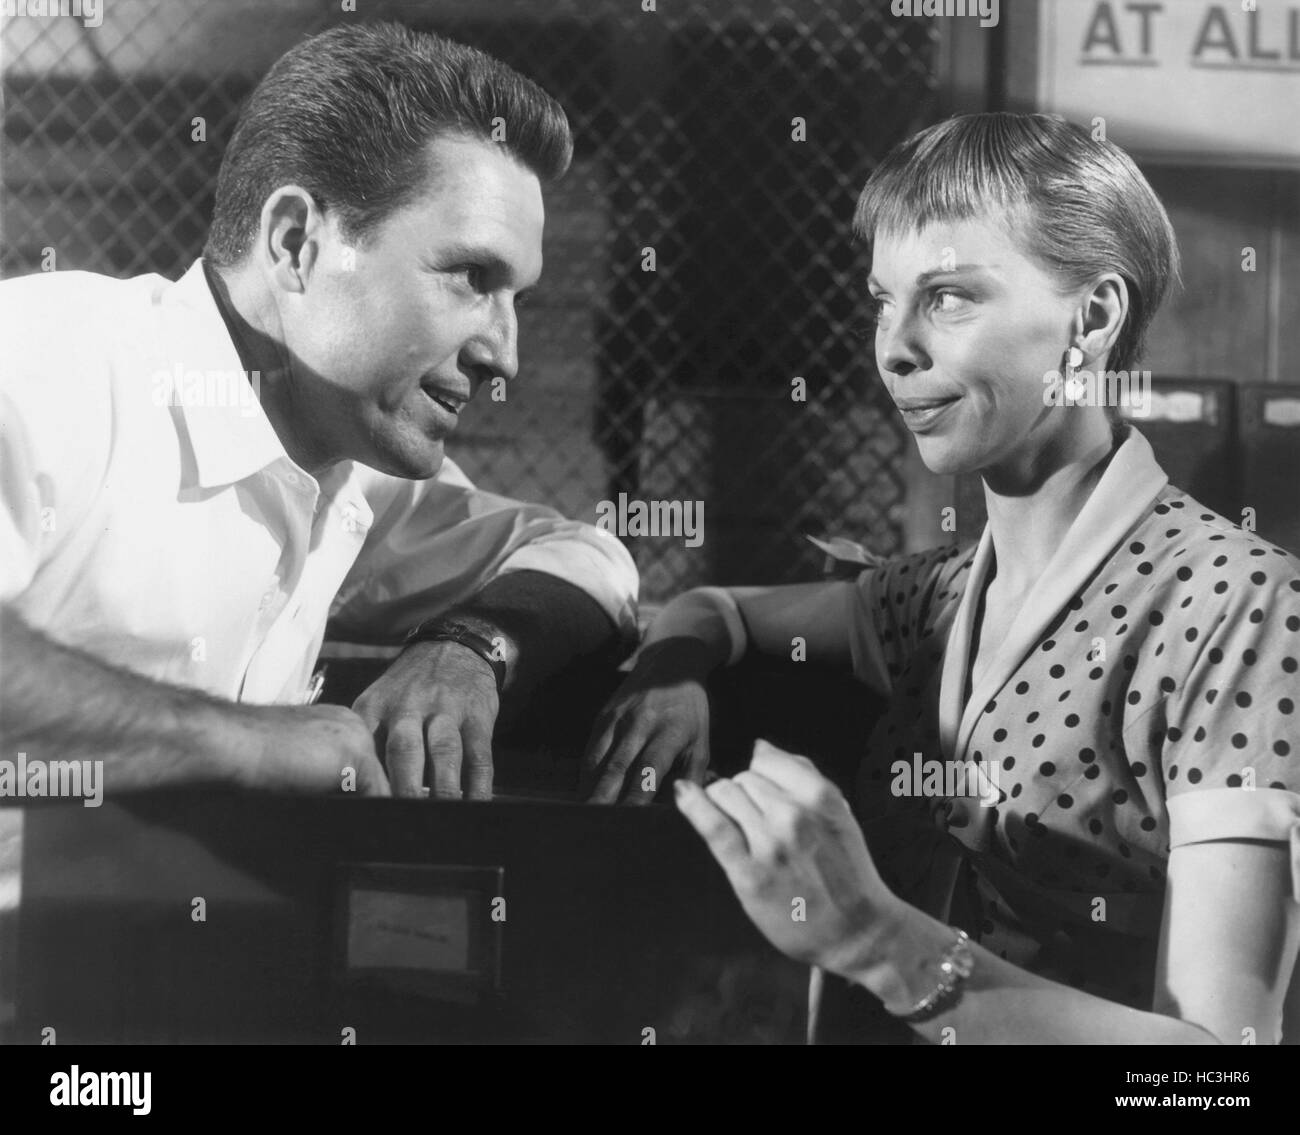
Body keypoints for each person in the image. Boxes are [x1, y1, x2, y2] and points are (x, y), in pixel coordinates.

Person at [585, 113, 1300, 1043]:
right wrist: (668, 677)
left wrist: (880, 939)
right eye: (884, 300)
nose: (894, 347)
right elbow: (715, 609)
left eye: (951, 297)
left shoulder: (1239, 604)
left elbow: (1219, 1080)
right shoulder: (932, 596)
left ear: (1092, 318)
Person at [0, 23, 638, 802]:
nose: (505, 354)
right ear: (298, 243)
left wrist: (468, 647)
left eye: (520, 299)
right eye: (472, 275)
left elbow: (590, 557)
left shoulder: (346, 470)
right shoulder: (47, 357)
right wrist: (246, 744)